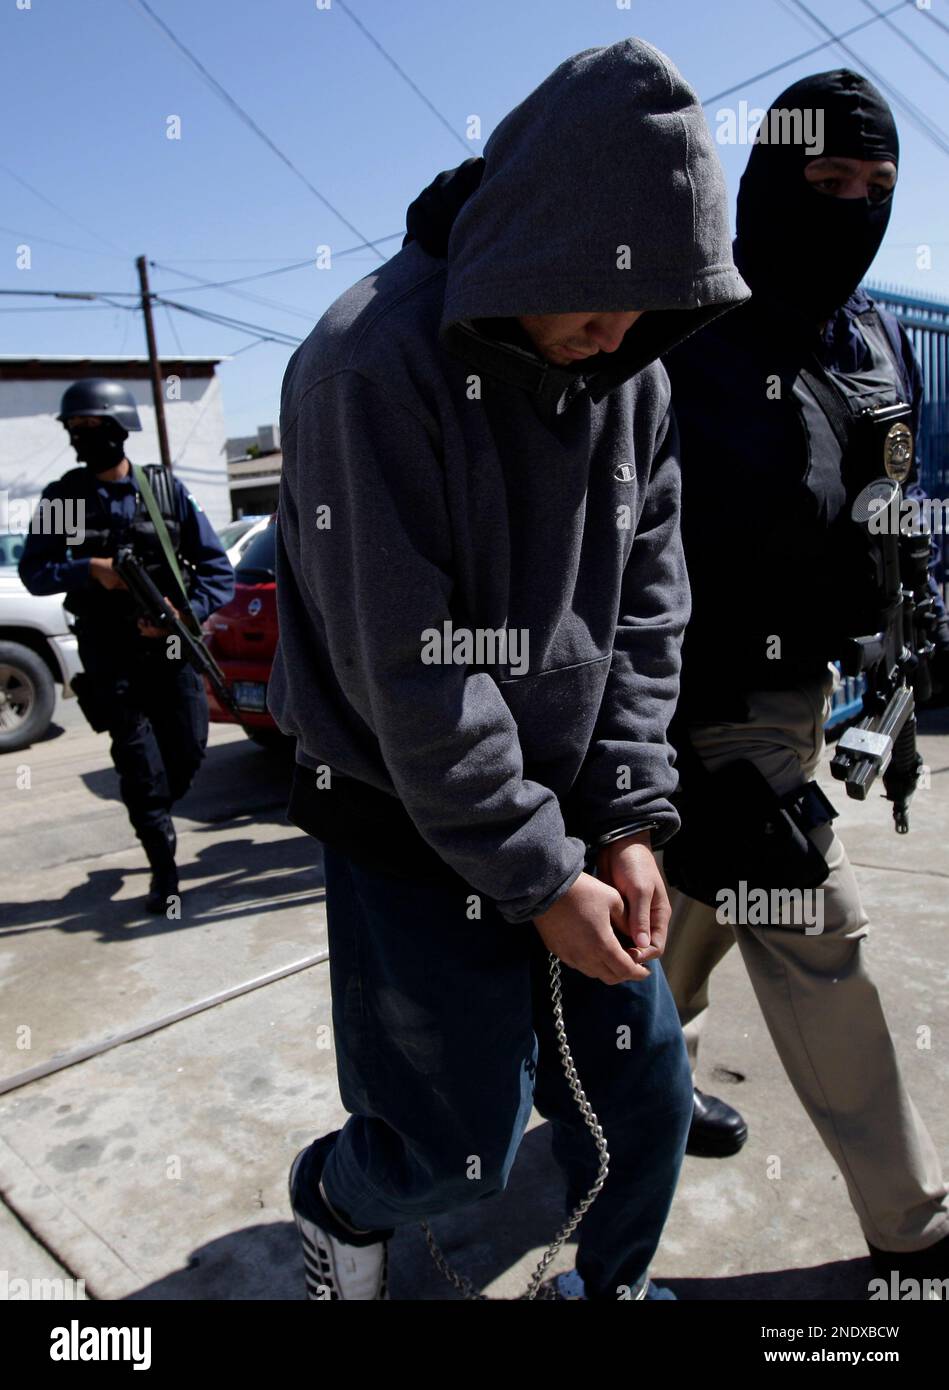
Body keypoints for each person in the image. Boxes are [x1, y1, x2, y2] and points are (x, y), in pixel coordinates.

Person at [268, 37, 749, 1301]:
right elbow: (409, 669)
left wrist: (634, 820)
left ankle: (610, 1288)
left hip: (584, 799)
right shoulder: (365, 363)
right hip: (406, 817)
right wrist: (535, 875)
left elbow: (653, 602)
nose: (619, 332)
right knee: (458, 1151)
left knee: (648, 1091)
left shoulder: (626, 364)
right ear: (530, 234)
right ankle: (335, 1194)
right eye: (594, 293)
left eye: (652, 304)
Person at [659, 70, 949, 1281]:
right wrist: (666, 747)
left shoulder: (874, 338)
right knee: (814, 931)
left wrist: (911, 639)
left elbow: (894, 506)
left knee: (667, 937)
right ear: (772, 176)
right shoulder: (681, 330)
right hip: (698, 719)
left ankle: (625, 1081)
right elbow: (608, 561)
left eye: (876, 188)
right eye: (826, 181)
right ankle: (915, 1229)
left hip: (805, 701)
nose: (851, 206)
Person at [19, 378, 234, 912]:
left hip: (169, 653)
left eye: (93, 427)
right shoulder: (66, 499)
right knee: (141, 766)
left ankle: (156, 808)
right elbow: (36, 571)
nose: (82, 436)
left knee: (186, 753)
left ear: (119, 430)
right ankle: (165, 870)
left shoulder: (160, 492)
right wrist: (88, 568)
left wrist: (184, 615)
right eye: (75, 428)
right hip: (109, 656)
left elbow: (215, 571)